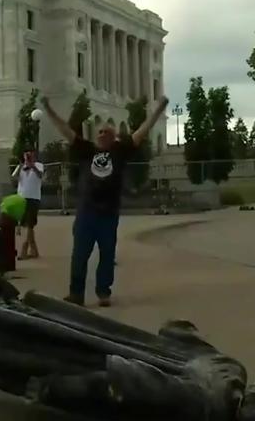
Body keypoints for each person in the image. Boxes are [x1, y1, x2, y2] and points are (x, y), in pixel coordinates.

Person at [41, 94, 169, 307]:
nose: (101, 135)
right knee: (80, 254)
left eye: (106, 132)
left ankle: (103, 292)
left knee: (107, 254)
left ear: (114, 137)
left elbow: (142, 132)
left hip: (108, 214)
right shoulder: (87, 150)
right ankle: (76, 293)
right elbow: (65, 130)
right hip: (87, 212)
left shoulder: (120, 151)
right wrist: (48, 109)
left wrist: (158, 110)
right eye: (99, 132)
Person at [12, 148, 44, 259]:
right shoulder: (20, 167)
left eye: (31, 155)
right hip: (21, 198)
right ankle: (34, 250)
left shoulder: (38, 165)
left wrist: (32, 165)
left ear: (34, 156)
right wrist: (21, 165)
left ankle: (24, 250)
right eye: (27, 155)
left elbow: (40, 175)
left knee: (29, 225)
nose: (29, 157)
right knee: (25, 224)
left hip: (33, 198)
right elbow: (13, 179)